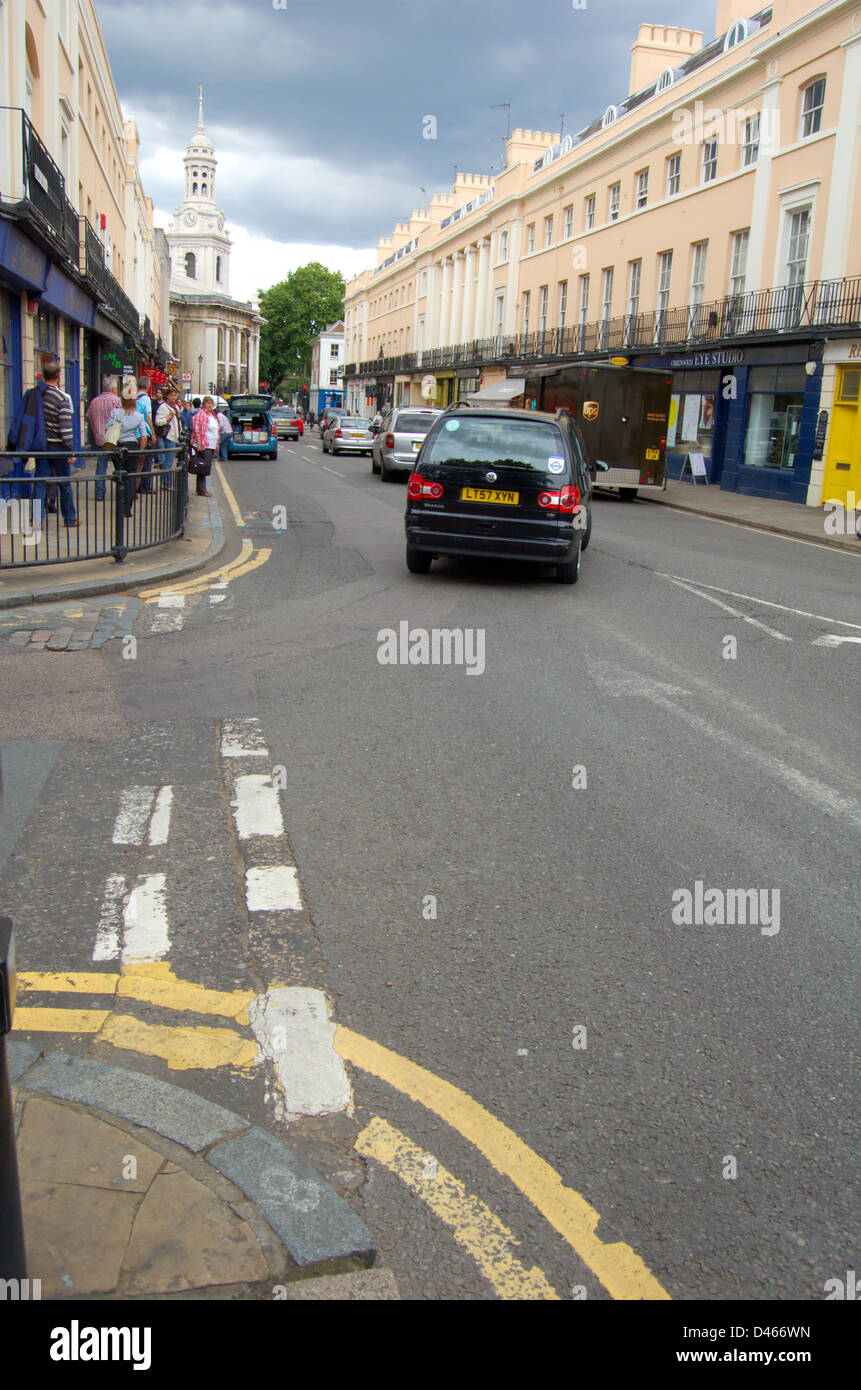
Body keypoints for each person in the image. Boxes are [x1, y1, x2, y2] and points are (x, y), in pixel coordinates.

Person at [33, 357, 80, 527]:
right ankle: (70, 519)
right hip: (58, 447)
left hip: (40, 445)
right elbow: (66, 428)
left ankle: (36, 521)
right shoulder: (62, 398)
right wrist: (70, 450)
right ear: (58, 375)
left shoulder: (36, 396)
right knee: (64, 483)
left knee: (40, 482)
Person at [106, 380, 148, 517]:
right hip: (132, 447)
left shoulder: (115, 412)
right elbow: (143, 436)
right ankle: (127, 509)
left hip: (118, 447)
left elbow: (108, 428)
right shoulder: (139, 416)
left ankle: (120, 505)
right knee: (130, 477)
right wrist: (141, 451)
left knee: (120, 475)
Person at [86, 375, 121, 501]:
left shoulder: (94, 401)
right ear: (113, 389)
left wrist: (96, 432)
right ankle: (121, 491)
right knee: (120, 466)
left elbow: (90, 419)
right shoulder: (117, 401)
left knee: (101, 466)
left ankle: (99, 494)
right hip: (115, 438)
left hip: (100, 438)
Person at [190, 395, 218, 497]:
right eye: (208, 403)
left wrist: (216, 444)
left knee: (205, 466)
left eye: (211, 403)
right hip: (204, 445)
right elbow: (197, 430)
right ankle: (202, 489)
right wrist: (199, 444)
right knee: (203, 467)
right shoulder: (201, 414)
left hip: (211, 445)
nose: (210, 405)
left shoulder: (212, 415)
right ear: (203, 404)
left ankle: (201, 489)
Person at [154, 386, 182, 487]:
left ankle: (166, 481)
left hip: (175, 436)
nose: (174, 397)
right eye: (171, 395)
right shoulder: (163, 407)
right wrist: (169, 416)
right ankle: (165, 482)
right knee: (168, 462)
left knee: (170, 461)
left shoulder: (175, 406)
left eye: (175, 395)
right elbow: (158, 422)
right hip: (168, 437)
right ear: (167, 396)